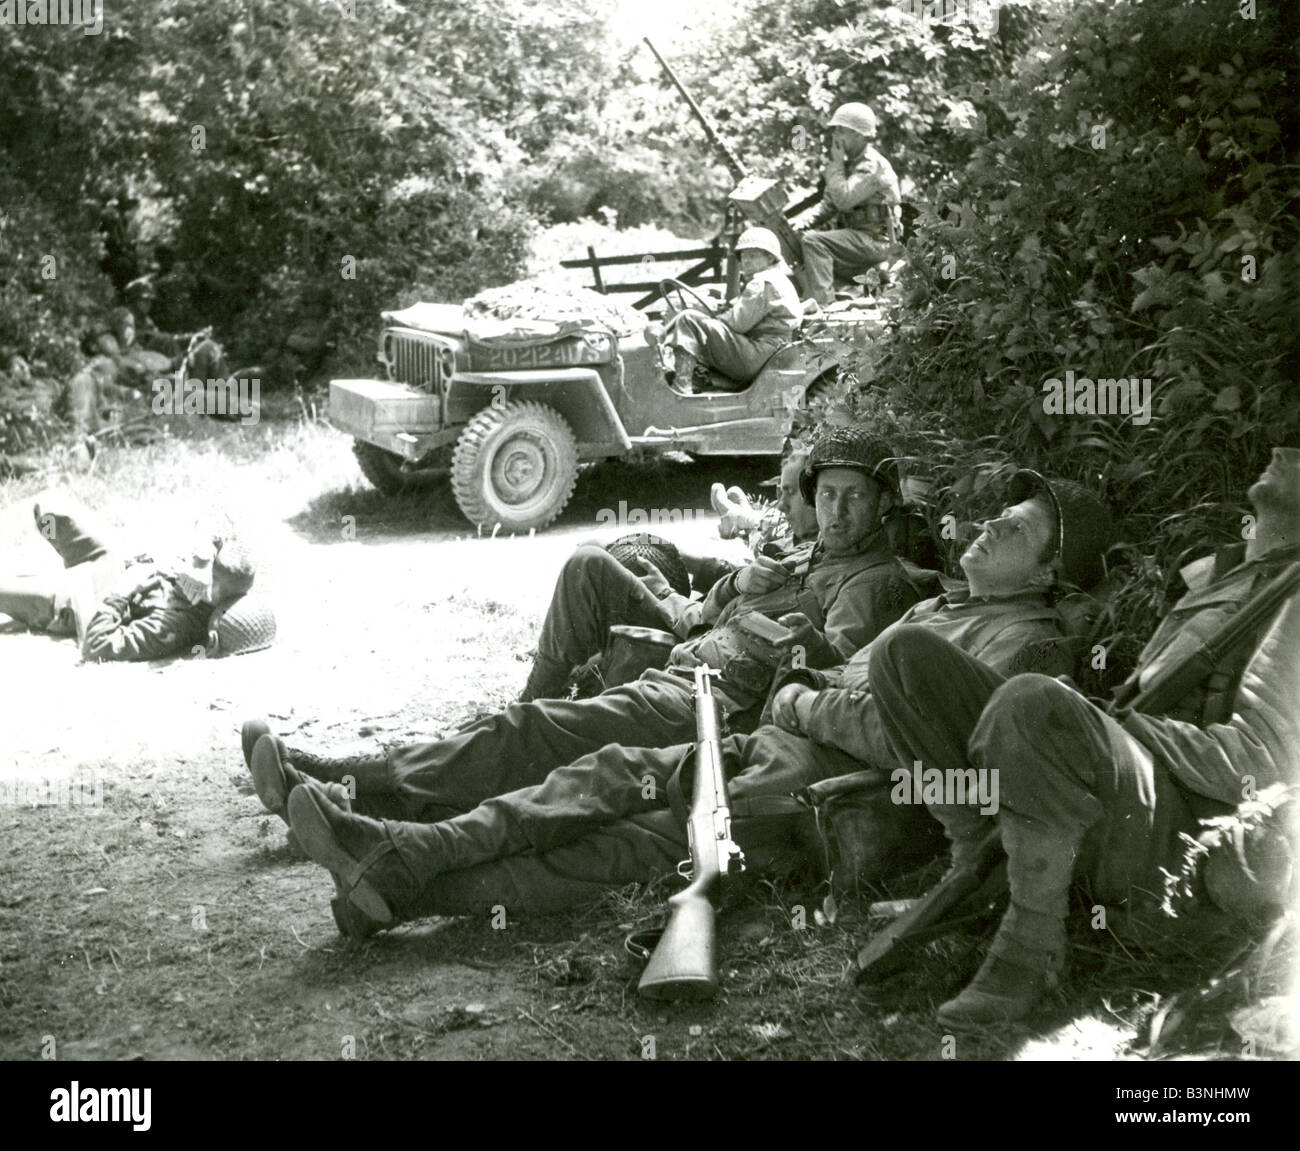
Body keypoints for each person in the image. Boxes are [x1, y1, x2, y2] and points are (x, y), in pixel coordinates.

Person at [250, 471, 1110, 940]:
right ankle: (406, 853)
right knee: (605, 772)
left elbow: (924, 746)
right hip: (780, 742)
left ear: (1046, 575)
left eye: (1017, 529)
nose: (989, 528)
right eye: (996, 514)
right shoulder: (945, 608)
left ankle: (405, 873)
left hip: (833, 790)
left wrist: (800, 700)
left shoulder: (1029, 649)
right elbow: (847, 673)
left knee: (628, 842)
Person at [240, 430, 922, 900]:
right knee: (537, 734)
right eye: (826, 493)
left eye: (853, 497)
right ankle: (354, 798)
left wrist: (773, 620)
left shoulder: (872, 582)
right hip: (684, 674)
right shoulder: (808, 555)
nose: (833, 509)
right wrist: (741, 588)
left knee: (534, 732)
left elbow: (824, 669)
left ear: (883, 505)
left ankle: (358, 788)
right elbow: (712, 611)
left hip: (715, 706)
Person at [868, 446, 1300, 1027]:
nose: (1278, 450)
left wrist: (1109, 721)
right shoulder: (1224, 574)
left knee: (1031, 701)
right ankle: (976, 862)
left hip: (1182, 838)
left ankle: (1032, 945)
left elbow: (1262, 762)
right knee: (904, 656)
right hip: (1134, 797)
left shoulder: (1294, 597)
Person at [519, 447, 821, 702]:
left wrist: (666, 594)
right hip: (691, 621)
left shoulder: (816, 566)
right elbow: (737, 581)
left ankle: (534, 697)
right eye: (780, 492)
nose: (781, 504)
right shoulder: (797, 543)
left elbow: (721, 623)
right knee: (599, 548)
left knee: (588, 563)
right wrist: (683, 556)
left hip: (692, 643)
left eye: (791, 493)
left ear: (816, 496)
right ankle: (563, 672)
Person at [0, 491, 261, 661]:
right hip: (111, 559)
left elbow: (97, 647)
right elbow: (217, 508)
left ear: (211, 592)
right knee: (48, 506)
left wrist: (121, 593)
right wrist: (203, 557)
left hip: (82, 598)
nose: (188, 561)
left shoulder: (173, 625)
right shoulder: (210, 570)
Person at [658, 227, 801, 392]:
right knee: (700, 326)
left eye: (753, 256)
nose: (746, 261)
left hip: (756, 356)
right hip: (769, 353)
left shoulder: (762, 282)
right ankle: (700, 377)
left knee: (687, 319)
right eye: (744, 256)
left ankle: (681, 385)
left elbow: (737, 323)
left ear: (770, 257)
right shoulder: (779, 280)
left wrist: (712, 318)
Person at [795, 103, 902, 307]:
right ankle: (839, 298)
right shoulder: (847, 165)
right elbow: (829, 204)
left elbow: (844, 200)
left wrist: (835, 165)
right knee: (802, 241)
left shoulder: (873, 165)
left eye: (841, 130)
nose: (835, 136)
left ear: (858, 134)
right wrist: (801, 222)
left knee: (814, 242)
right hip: (859, 240)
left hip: (877, 241)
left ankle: (825, 308)